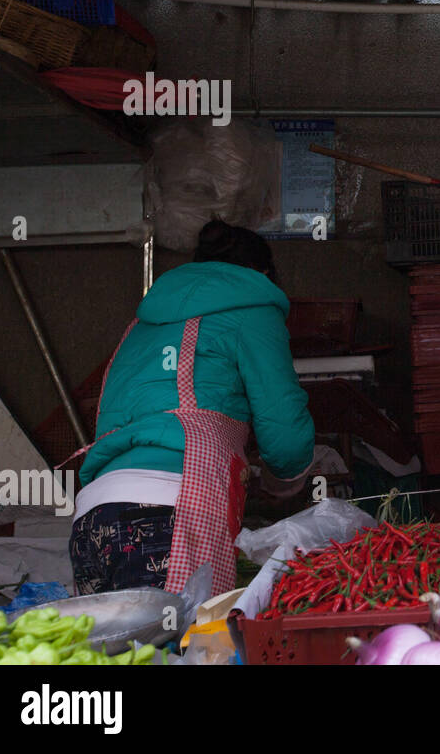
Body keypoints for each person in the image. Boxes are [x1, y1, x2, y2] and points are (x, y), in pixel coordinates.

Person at [69, 221, 315, 598]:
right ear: (264, 273)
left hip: (95, 514)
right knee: (186, 650)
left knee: (114, 653)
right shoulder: (252, 309)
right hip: (168, 512)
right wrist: (284, 483)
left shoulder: (141, 324)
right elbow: (283, 427)